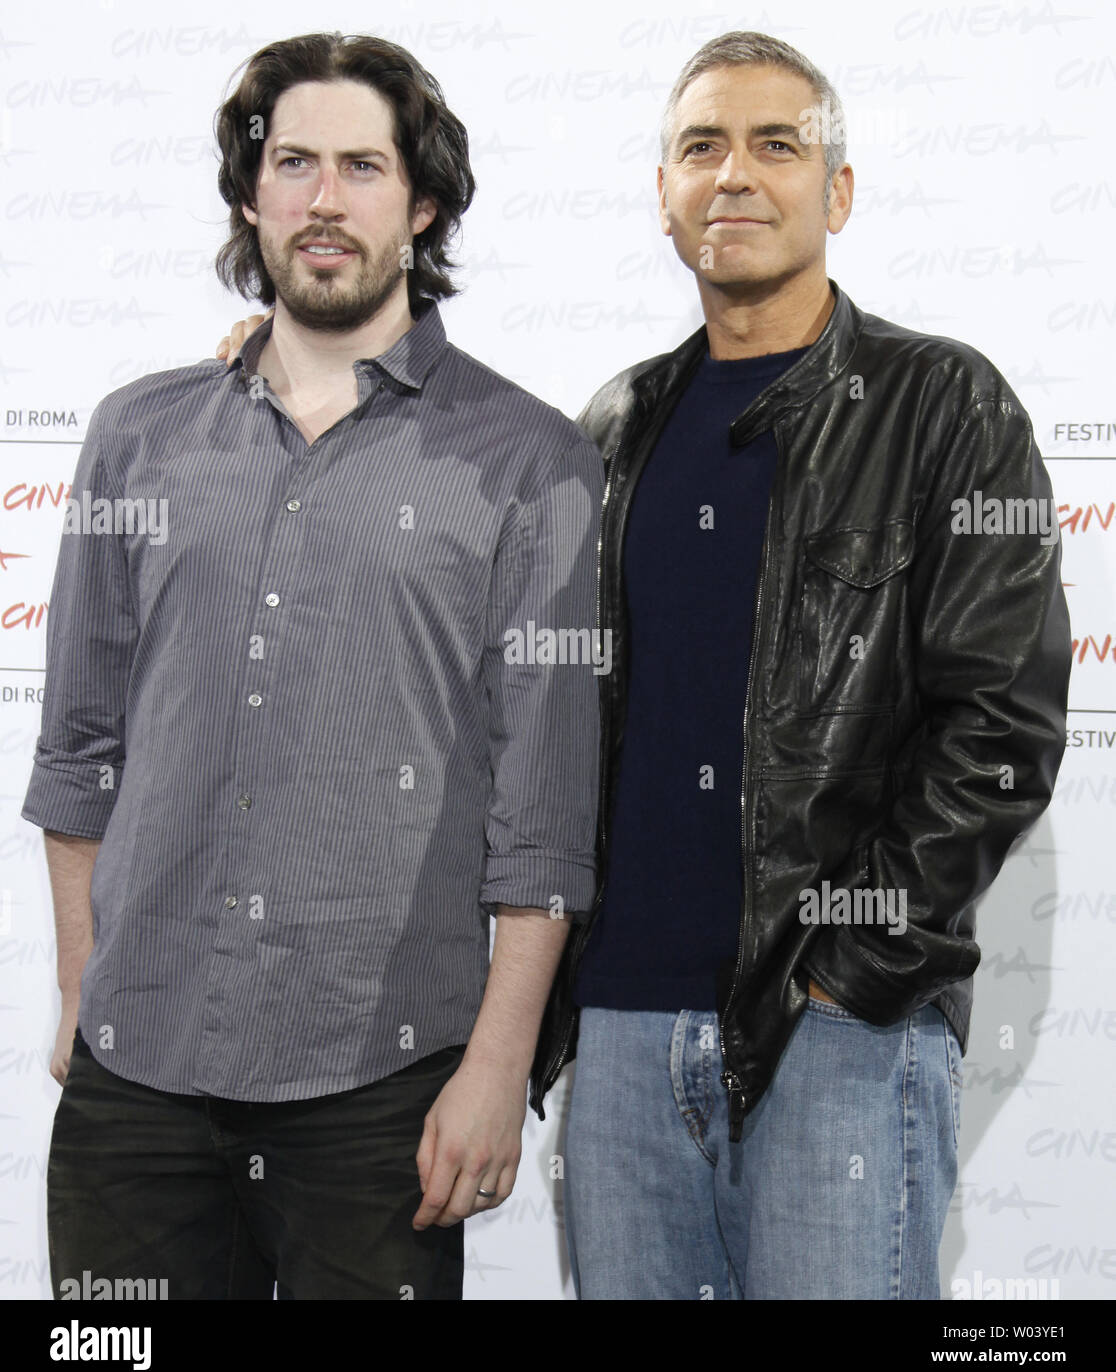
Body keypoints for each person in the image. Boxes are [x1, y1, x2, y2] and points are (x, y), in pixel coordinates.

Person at [25, 31, 602, 1301]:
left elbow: (546, 818)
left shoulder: (531, 461)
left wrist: (499, 1067)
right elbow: (78, 750)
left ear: (424, 202)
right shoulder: (137, 434)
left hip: (381, 1090)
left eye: (361, 167)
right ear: (251, 194)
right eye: (293, 164)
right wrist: (80, 989)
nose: (324, 200)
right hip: (140, 1077)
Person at [531, 31, 1069, 1299]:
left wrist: (844, 970)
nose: (734, 175)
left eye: (778, 144)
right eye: (701, 146)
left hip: (839, 1025)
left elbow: (999, 728)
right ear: (662, 192)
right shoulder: (610, 426)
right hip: (616, 1034)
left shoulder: (945, 406)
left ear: (836, 191)